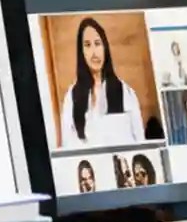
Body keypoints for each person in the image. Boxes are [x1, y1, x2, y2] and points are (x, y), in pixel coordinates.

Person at [59, 17, 145, 148]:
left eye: (98, 44)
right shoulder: (71, 97)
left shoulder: (125, 92)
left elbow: (139, 142)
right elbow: (68, 145)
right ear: (81, 52)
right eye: (87, 45)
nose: (94, 53)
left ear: (105, 48)